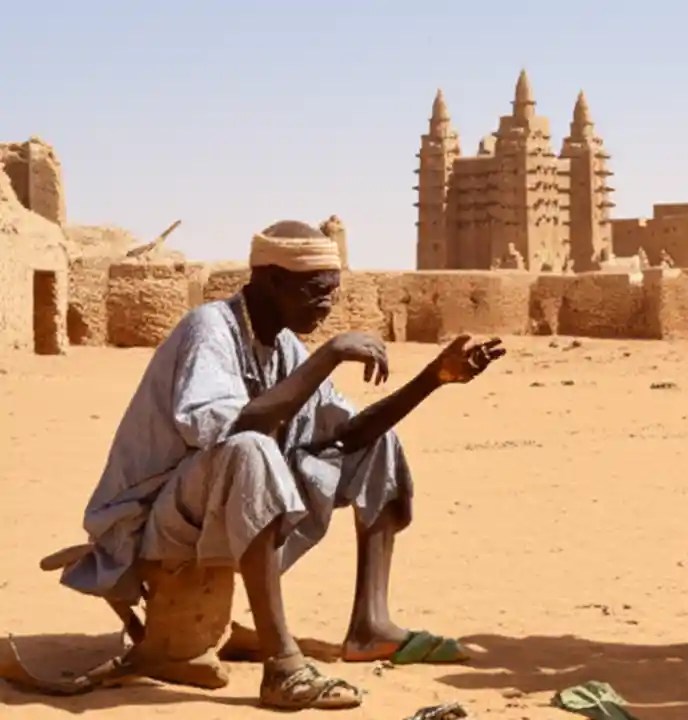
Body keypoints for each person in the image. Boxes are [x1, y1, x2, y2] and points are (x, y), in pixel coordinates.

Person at [59, 221, 505, 710]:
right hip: (149, 523)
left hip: (213, 508)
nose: (327, 305)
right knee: (252, 448)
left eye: (332, 294)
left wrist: (434, 378)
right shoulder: (209, 328)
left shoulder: (285, 347)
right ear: (271, 279)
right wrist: (330, 355)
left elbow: (348, 434)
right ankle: (281, 664)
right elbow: (228, 428)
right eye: (316, 292)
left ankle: (369, 625)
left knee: (378, 444)